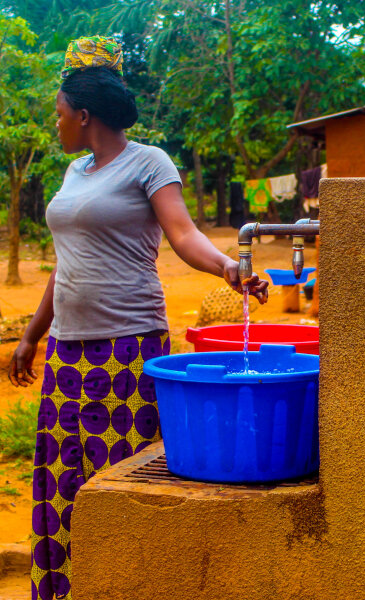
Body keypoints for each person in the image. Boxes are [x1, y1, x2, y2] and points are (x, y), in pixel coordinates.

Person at [6, 37, 267, 600]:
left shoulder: (149, 162)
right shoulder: (74, 171)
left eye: (58, 113)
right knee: (64, 478)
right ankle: (68, 588)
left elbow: (184, 234)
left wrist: (228, 267)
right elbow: (66, 262)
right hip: (67, 354)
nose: (56, 124)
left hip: (126, 348)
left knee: (120, 476)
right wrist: (31, 335)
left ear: (83, 114)